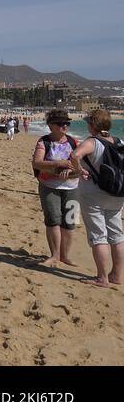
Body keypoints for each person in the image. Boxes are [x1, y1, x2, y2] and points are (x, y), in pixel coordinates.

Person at [70, 109, 124, 287]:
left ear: (93, 125)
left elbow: (75, 155)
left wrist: (79, 170)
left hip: (94, 194)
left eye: (88, 123)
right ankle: (117, 275)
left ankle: (102, 278)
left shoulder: (92, 142)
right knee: (117, 235)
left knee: (98, 236)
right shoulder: (118, 141)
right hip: (116, 193)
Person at [31, 109, 81, 268]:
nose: (65, 126)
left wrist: (72, 170)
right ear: (51, 125)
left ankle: (65, 256)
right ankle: (55, 255)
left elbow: (81, 167)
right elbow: (36, 163)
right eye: (60, 123)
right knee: (53, 221)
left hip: (73, 187)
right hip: (49, 186)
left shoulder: (74, 142)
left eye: (67, 123)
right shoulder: (43, 142)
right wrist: (58, 164)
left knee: (70, 222)